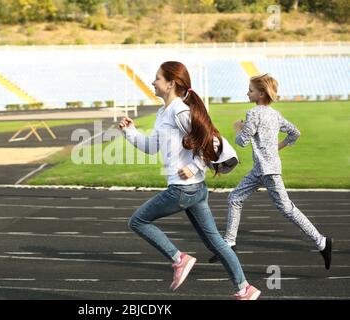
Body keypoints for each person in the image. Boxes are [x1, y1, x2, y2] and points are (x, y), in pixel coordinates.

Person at [119, 61, 261, 300]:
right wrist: (130, 132)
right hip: (194, 191)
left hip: (183, 190)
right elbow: (151, 147)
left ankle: (179, 258)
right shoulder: (164, 112)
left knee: (138, 221)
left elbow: (213, 142)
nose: (152, 82)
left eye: (157, 78)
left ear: (171, 83)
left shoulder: (180, 111)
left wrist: (195, 166)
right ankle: (245, 289)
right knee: (215, 242)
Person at [208, 73, 333, 270]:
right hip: (260, 169)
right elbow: (295, 132)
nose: (247, 93)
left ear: (260, 94)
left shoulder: (254, 113)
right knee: (234, 198)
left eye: (250, 90)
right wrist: (278, 146)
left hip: (268, 172)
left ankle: (322, 242)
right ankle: (230, 243)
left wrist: (237, 128)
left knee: (287, 209)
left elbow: (242, 141)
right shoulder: (275, 114)